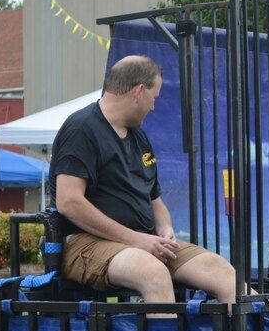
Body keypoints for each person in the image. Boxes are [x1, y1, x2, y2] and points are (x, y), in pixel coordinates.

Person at [50, 55, 238, 304]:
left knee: (222, 271)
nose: (153, 106)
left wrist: (166, 230)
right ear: (139, 91)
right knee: (152, 272)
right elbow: (69, 202)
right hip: (85, 243)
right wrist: (136, 239)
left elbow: (154, 200)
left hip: (143, 242)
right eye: (154, 97)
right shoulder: (81, 129)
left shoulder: (139, 138)